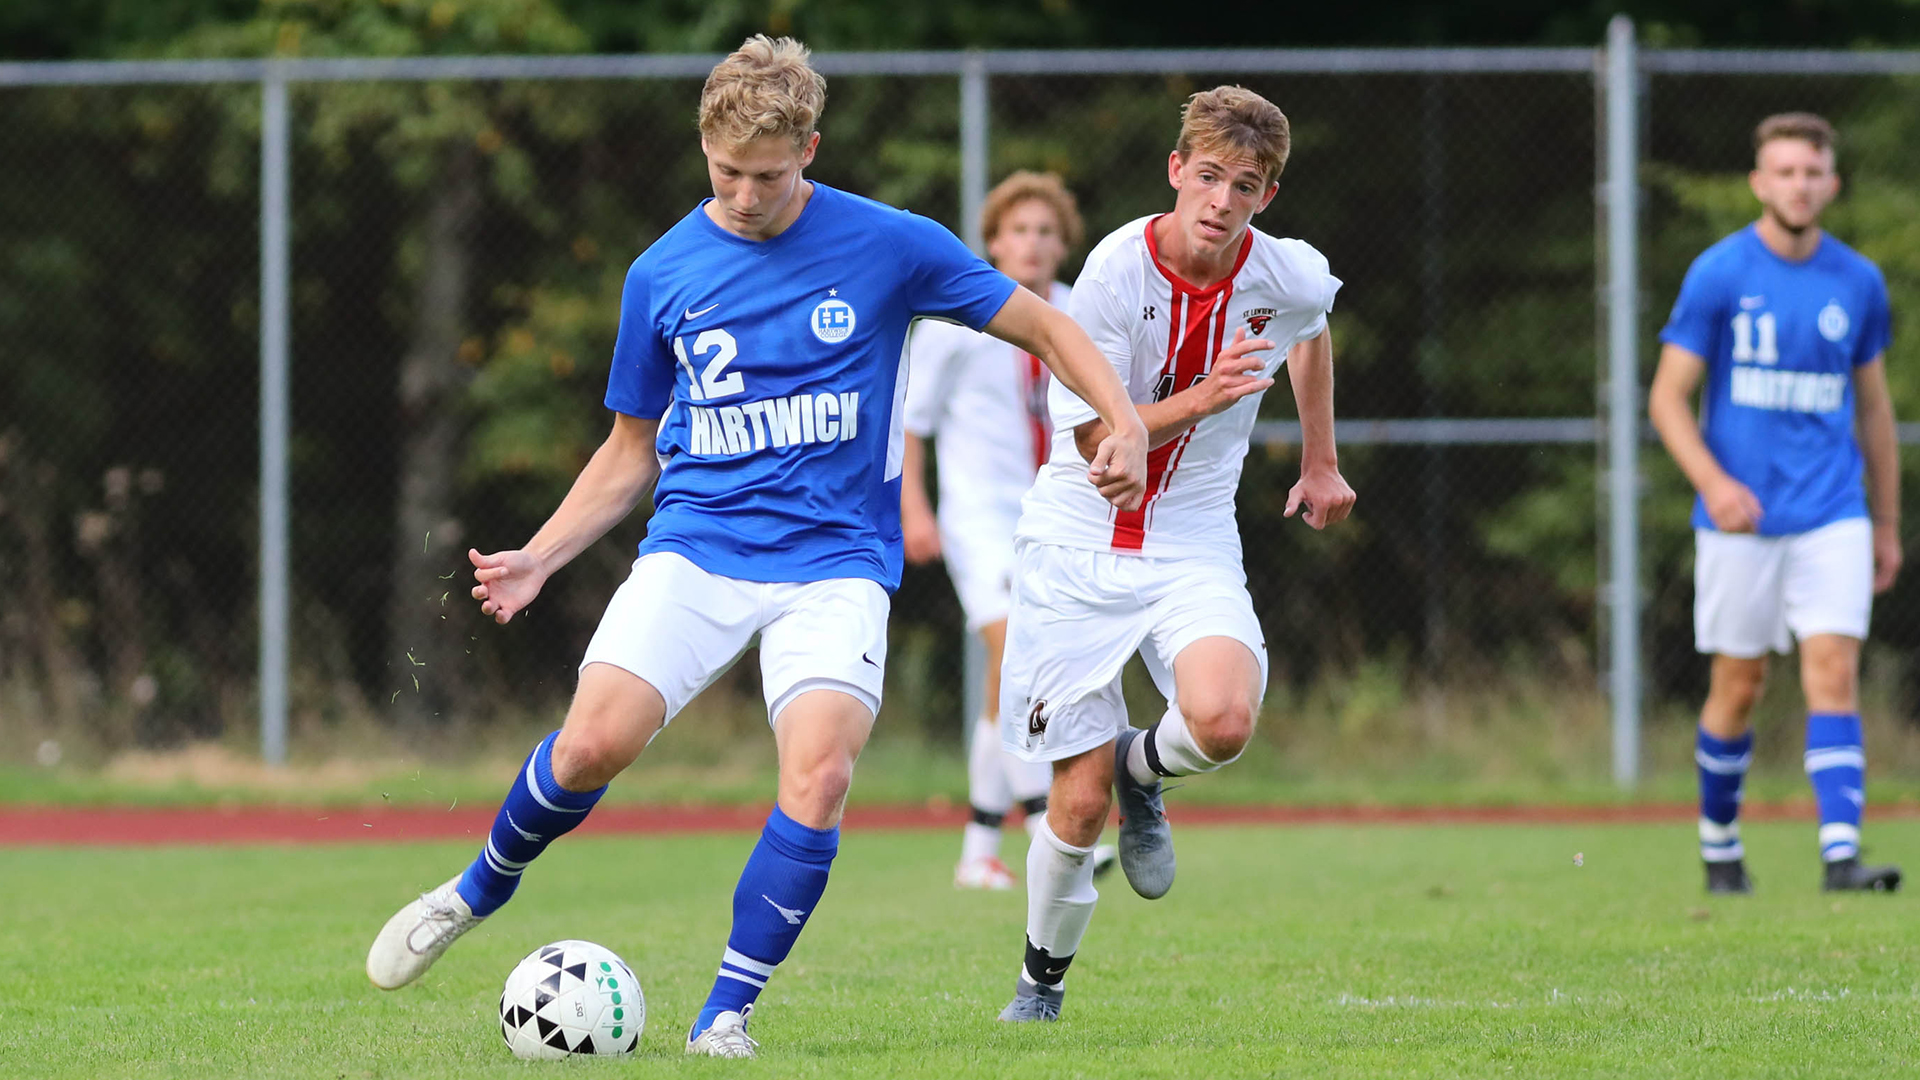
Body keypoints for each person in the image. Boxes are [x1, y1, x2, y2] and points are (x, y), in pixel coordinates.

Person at [363, 35, 1149, 1059]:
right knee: (592, 744)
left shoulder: (890, 245)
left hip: (834, 566)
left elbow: (1045, 326)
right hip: (698, 548)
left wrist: (1121, 416)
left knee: (818, 778)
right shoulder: (661, 274)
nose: (742, 194)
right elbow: (627, 450)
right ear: (704, 149)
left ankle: (723, 1016)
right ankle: (475, 891)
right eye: (725, 171)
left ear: (809, 150)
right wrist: (543, 555)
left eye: (767, 175)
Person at [991, 86, 1355, 1023]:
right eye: (1208, 177)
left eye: (1246, 184)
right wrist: (1196, 401)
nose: (1222, 200)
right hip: (1076, 544)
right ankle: (1040, 987)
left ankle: (1142, 770)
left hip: (1190, 539)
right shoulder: (1114, 270)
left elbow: (1311, 331)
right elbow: (1088, 442)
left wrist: (1319, 459)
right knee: (1072, 809)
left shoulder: (1287, 275)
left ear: (1267, 195)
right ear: (1175, 172)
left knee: (1225, 721)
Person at [1649, 111, 1902, 896]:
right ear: (1760, 182)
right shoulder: (1720, 273)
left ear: (1831, 182)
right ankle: (1721, 846)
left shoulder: (1858, 281)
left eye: (1812, 171)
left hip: (1833, 509)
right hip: (1742, 519)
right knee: (1740, 683)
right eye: (1784, 171)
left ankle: (1840, 857)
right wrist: (1715, 484)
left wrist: (1887, 521)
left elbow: (1875, 411)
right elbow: (1667, 399)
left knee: (1833, 667)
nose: (1799, 184)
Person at [901, 171, 1114, 890]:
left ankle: (976, 850)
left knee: (1012, 676)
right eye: (1020, 230)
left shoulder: (1077, 310)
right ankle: (1045, 826)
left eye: (1047, 232)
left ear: (1064, 245)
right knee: (1018, 648)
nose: (1034, 243)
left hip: (1058, 513)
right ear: (994, 240)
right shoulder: (955, 316)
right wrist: (915, 511)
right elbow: (911, 426)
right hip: (980, 517)